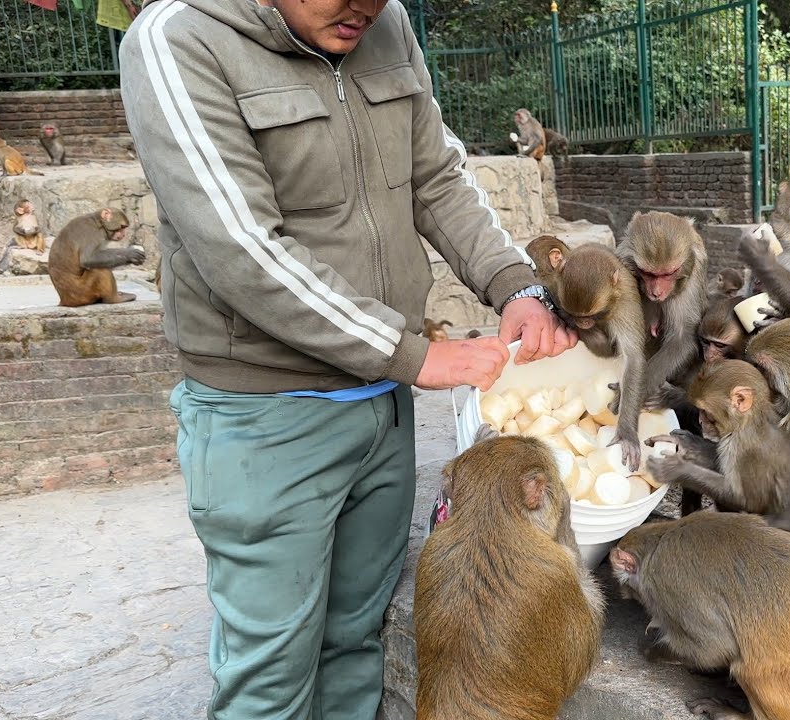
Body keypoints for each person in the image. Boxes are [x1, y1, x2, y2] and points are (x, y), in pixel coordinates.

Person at [118, 0, 576, 718]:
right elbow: (243, 250)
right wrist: (414, 354)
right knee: (269, 675)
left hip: (380, 407)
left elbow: (438, 179)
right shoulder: (180, 38)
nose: (368, 7)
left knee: (354, 643)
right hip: (266, 419)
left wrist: (514, 283)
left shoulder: (384, 24)